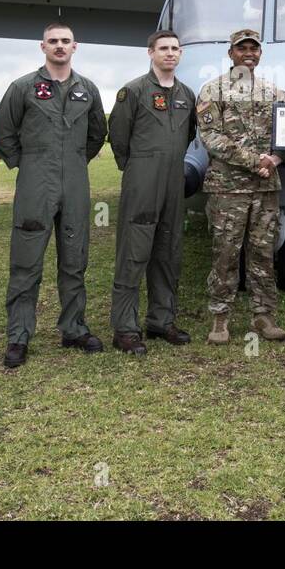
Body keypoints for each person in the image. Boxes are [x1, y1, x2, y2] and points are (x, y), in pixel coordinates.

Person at [0, 23, 107, 367]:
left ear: (76, 46)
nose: (60, 46)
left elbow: (97, 134)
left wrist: (73, 162)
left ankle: (73, 328)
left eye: (66, 41)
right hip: (35, 181)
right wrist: (26, 164)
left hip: (75, 182)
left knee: (75, 259)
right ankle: (19, 336)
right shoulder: (23, 87)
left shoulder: (87, 90)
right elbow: (3, 132)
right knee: (26, 262)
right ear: (42, 46)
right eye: (53, 41)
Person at [197, 28, 285, 346]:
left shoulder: (273, 92)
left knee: (263, 254)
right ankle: (220, 316)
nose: (248, 53)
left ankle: (264, 315)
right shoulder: (213, 90)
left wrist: (278, 157)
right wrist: (256, 161)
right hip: (227, 189)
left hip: (265, 190)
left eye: (254, 48)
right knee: (225, 254)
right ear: (231, 54)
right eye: (242, 48)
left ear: (260, 54)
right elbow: (212, 139)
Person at [106, 30, 197, 355]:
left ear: (180, 54)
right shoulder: (133, 91)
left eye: (175, 48)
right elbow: (118, 137)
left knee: (168, 251)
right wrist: (137, 169)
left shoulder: (187, 94)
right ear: (151, 52)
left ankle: (161, 320)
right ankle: (125, 328)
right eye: (163, 48)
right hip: (141, 178)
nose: (170, 53)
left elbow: (187, 136)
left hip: (174, 178)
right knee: (134, 252)